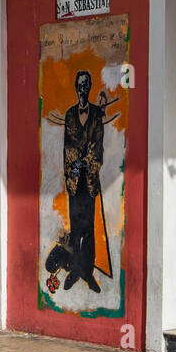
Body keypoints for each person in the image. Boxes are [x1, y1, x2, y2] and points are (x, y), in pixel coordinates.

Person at [62, 70, 104, 292]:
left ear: (90, 87)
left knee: (89, 228)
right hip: (74, 181)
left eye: (86, 85)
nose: (82, 89)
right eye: (79, 85)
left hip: (89, 181)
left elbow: (98, 146)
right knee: (75, 225)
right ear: (75, 88)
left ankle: (88, 271)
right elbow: (68, 147)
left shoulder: (97, 114)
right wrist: (73, 166)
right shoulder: (69, 115)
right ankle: (76, 269)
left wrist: (86, 163)